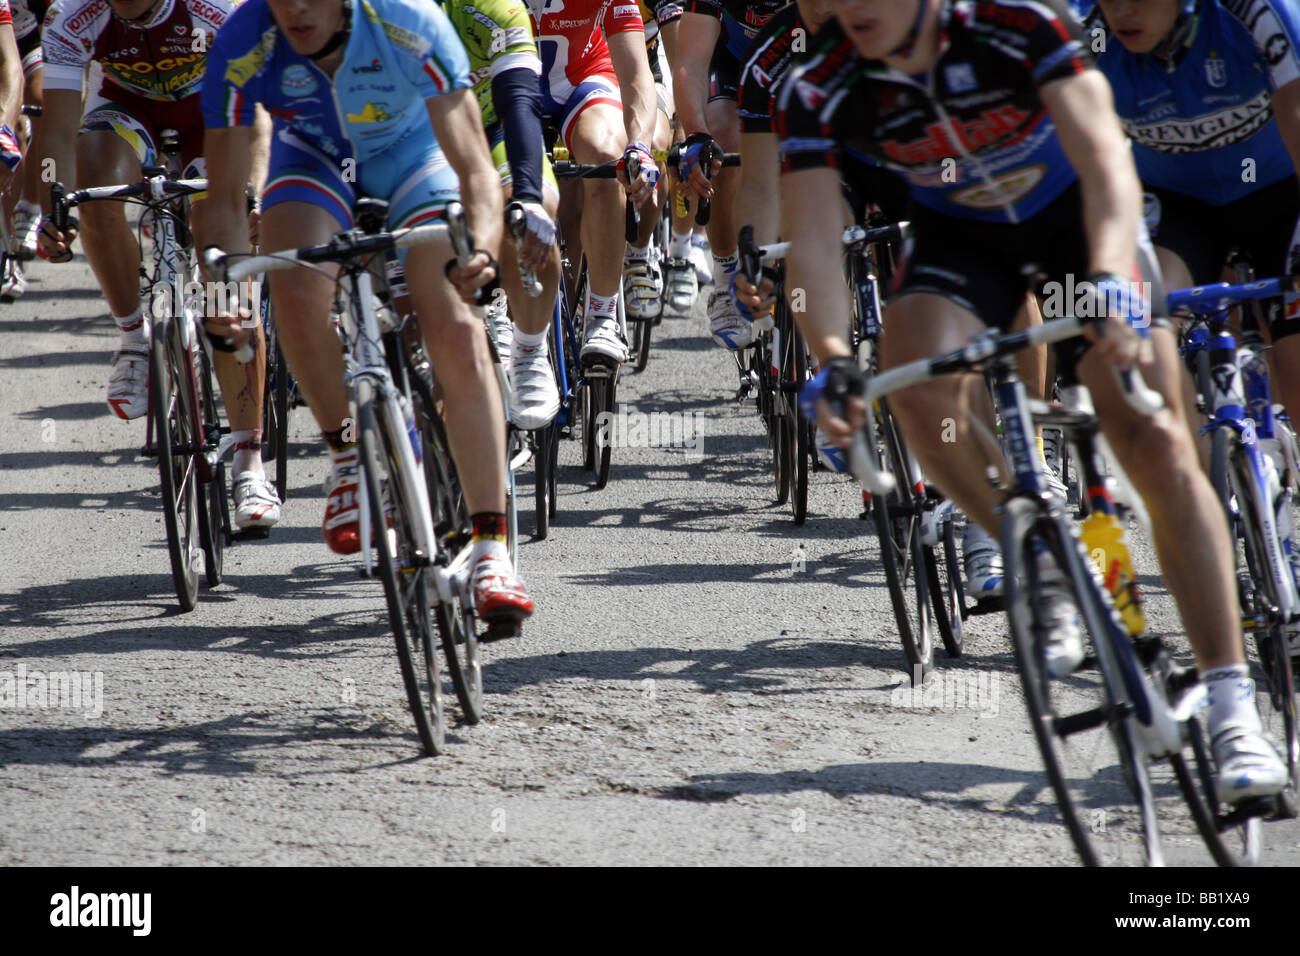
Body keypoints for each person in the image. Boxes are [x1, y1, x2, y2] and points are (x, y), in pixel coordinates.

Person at [774, 0, 1285, 804]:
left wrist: (1115, 276)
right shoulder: (820, 84)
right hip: (962, 241)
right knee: (914, 370)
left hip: (1079, 222)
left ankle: (1231, 707)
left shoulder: (1016, 24)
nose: (857, 7)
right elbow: (811, 239)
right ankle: (1036, 554)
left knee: (1150, 431)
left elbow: (1109, 158)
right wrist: (834, 357)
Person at [195, 0, 534, 628]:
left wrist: (482, 252)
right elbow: (222, 199)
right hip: (313, 162)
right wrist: (226, 295)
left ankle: (491, 547)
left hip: (415, 158)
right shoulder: (244, 40)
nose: (297, 9)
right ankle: (348, 451)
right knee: (292, 290)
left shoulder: (408, 21)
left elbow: (477, 173)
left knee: (456, 326)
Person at [36, 0, 281, 532]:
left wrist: (256, 191)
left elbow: (257, 114)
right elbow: (55, 133)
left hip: (212, 114)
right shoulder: (71, 15)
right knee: (95, 181)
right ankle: (135, 338)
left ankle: (249, 460)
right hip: (127, 112)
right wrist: (55, 202)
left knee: (222, 268)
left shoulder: (215, 10)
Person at [1086, 0, 1300, 447]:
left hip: (1280, 192)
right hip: (1178, 206)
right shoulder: (1086, 30)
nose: (1124, 10)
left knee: (1296, 364)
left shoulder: (1257, 13)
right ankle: (1200, 480)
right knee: (1145, 340)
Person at [524, 0, 660, 369]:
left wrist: (639, 148)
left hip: (582, 78)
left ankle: (602, 314)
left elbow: (635, 76)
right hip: (510, 84)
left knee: (604, 157)